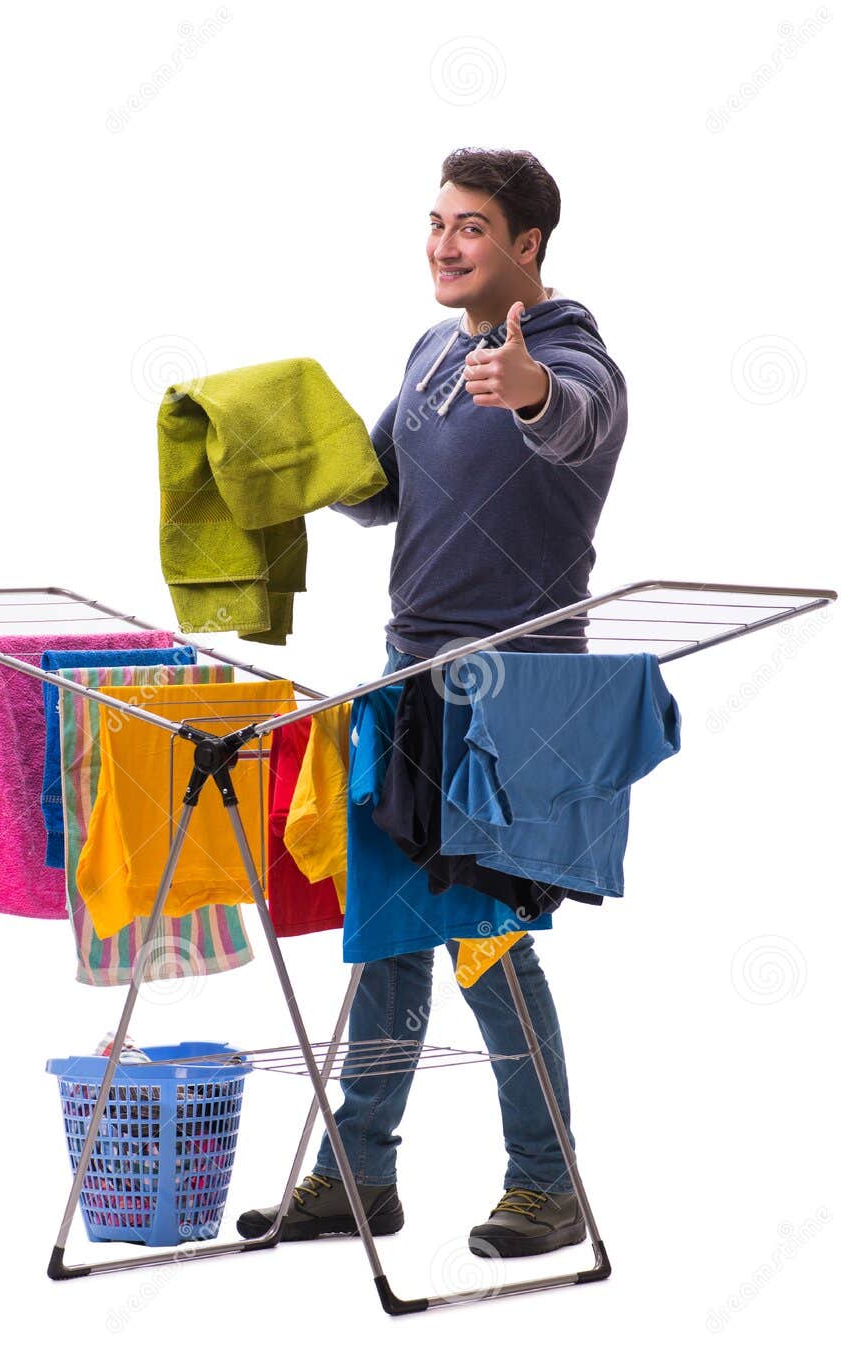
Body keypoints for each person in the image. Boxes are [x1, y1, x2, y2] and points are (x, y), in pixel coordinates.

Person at [237, 147, 628, 1257]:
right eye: (438, 222)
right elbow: (382, 489)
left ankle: (548, 1189)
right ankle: (356, 1173)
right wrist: (274, 449)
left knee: (488, 937)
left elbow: (578, 420)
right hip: (410, 680)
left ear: (528, 246)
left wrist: (533, 391)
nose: (445, 246)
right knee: (394, 936)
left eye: (471, 229)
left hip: (510, 693)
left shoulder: (567, 355)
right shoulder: (429, 352)